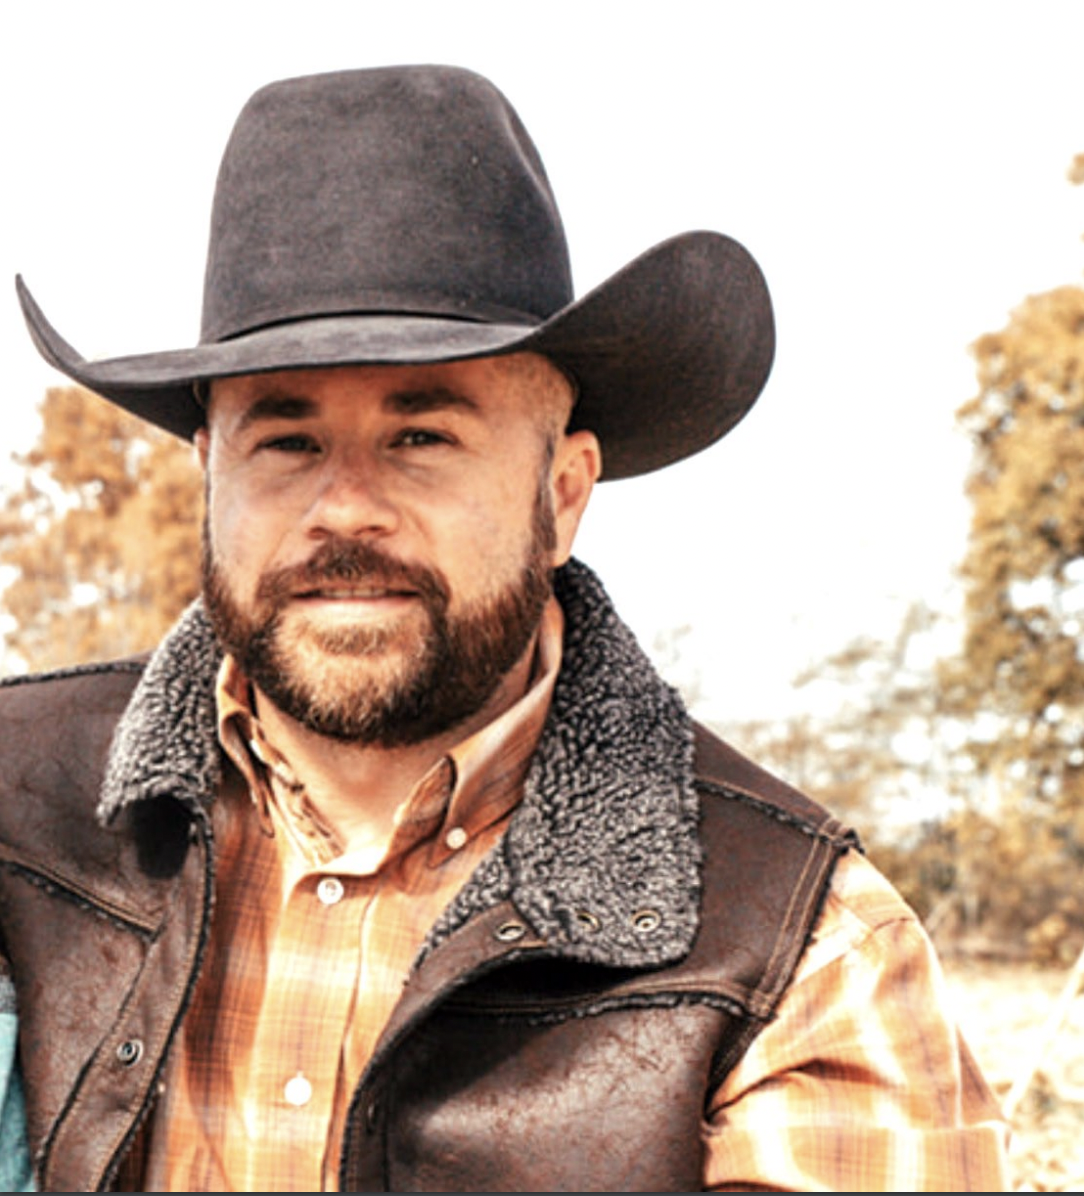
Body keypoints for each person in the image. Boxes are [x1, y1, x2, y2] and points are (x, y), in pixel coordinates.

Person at [1, 65, 1008, 1193]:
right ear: (208, 477)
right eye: (286, 441)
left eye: (422, 435)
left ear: (564, 492)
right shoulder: (14, 812)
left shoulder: (797, 949)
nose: (344, 508)